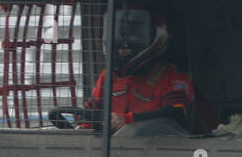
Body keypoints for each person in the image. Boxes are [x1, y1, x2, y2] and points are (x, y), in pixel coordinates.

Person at [81, 7, 216, 134]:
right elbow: (91, 113)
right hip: (112, 153)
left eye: (132, 36)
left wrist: (129, 120)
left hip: (157, 153)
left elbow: (177, 112)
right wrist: (82, 128)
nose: (122, 48)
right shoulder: (108, 77)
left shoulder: (174, 77)